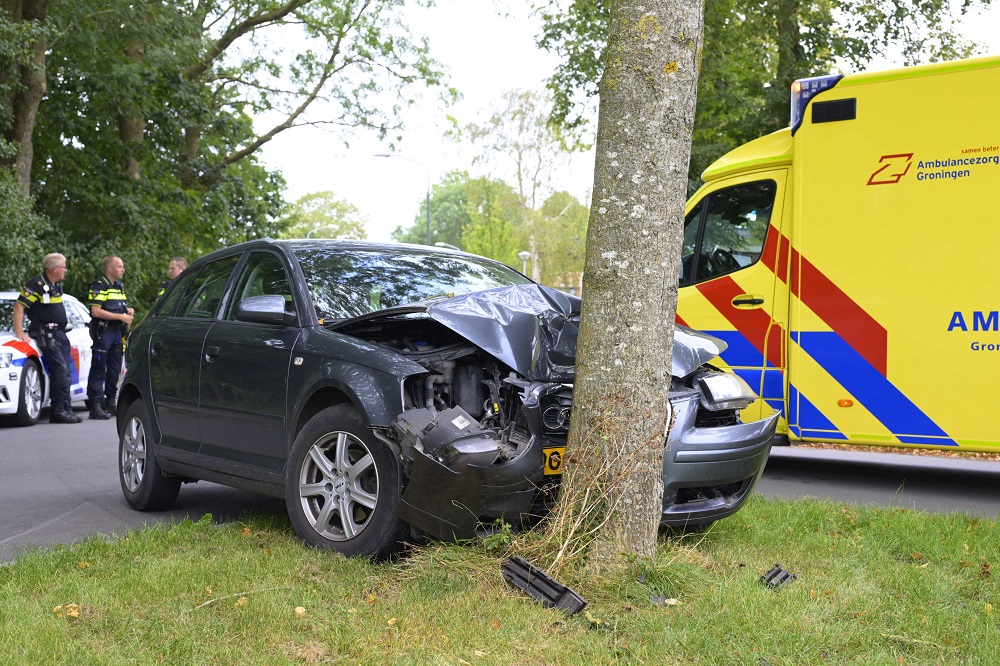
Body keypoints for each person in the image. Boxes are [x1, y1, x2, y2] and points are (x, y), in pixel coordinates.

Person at [12, 253, 81, 424]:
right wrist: (19, 331)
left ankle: (66, 408)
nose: (66, 270)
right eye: (64, 267)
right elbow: (19, 306)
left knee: (65, 372)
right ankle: (58, 411)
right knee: (59, 370)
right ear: (55, 268)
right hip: (46, 334)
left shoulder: (56, 285)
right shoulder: (36, 284)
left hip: (60, 333)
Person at [86, 255, 134, 420]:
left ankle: (111, 403)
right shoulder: (100, 286)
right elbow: (96, 311)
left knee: (114, 370)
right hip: (104, 332)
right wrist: (121, 317)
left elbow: (118, 307)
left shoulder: (118, 287)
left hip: (117, 333)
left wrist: (127, 311)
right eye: (120, 266)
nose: (123, 270)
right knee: (98, 369)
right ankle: (94, 406)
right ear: (110, 268)